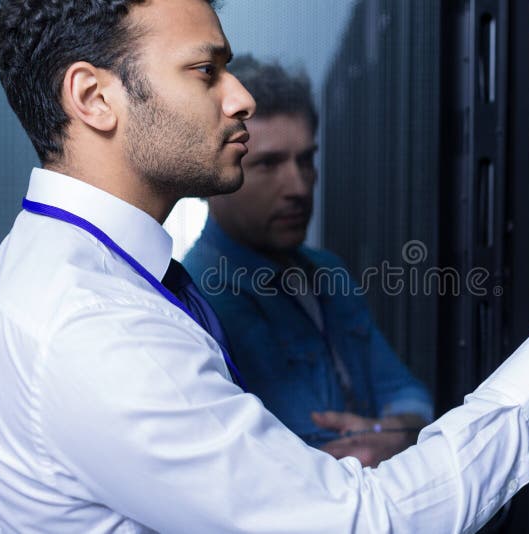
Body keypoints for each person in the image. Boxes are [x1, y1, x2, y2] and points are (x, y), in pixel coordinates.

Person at [0, 0, 529, 532]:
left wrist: (396, 435)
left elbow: (394, 403)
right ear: (94, 98)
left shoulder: (61, 281)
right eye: (206, 71)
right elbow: (360, 523)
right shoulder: (94, 328)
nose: (240, 98)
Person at [182, 55, 433, 467]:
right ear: (218, 172)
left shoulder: (328, 271)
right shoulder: (203, 299)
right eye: (268, 163)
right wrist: (398, 434)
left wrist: (389, 433)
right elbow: (311, 453)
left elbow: (409, 394)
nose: (298, 187)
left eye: (305, 160)